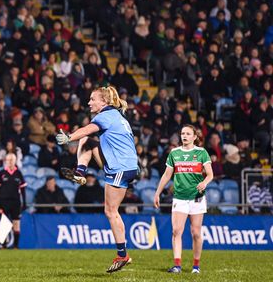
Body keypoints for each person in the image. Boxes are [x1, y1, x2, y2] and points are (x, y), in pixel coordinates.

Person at [56, 86, 138, 273]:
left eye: (93, 99)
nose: (89, 102)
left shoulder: (104, 116)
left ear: (104, 102)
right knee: (89, 141)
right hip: (125, 165)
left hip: (120, 167)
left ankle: (122, 255)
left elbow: (86, 129)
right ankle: (80, 172)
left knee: (110, 211)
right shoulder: (117, 116)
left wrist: (69, 137)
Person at [153, 125, 213, 274]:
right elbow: (167, 175)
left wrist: (204, 183)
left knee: (196, 233)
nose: (184, 136)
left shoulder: (201, 153)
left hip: (197, 198)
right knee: (176, 231)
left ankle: (196, 266)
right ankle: (177, 265)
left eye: (188, 134)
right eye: (182, 133)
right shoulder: (174, 153)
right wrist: (157, 192)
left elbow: (210, 174)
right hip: (179, 197)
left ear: (194, 137)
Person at [0, 153, 26, 247]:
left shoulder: (18, 173)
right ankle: (4, 245)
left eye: (12, 160)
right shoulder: (1, 173)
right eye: (8, 160)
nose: (10, 162)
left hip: (16, 201)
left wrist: (24, 202)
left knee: (16, 223)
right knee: (4, 222)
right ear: (6, 161)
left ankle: (16, 246)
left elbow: (23, 189)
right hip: (4, 201)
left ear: (15, 161)